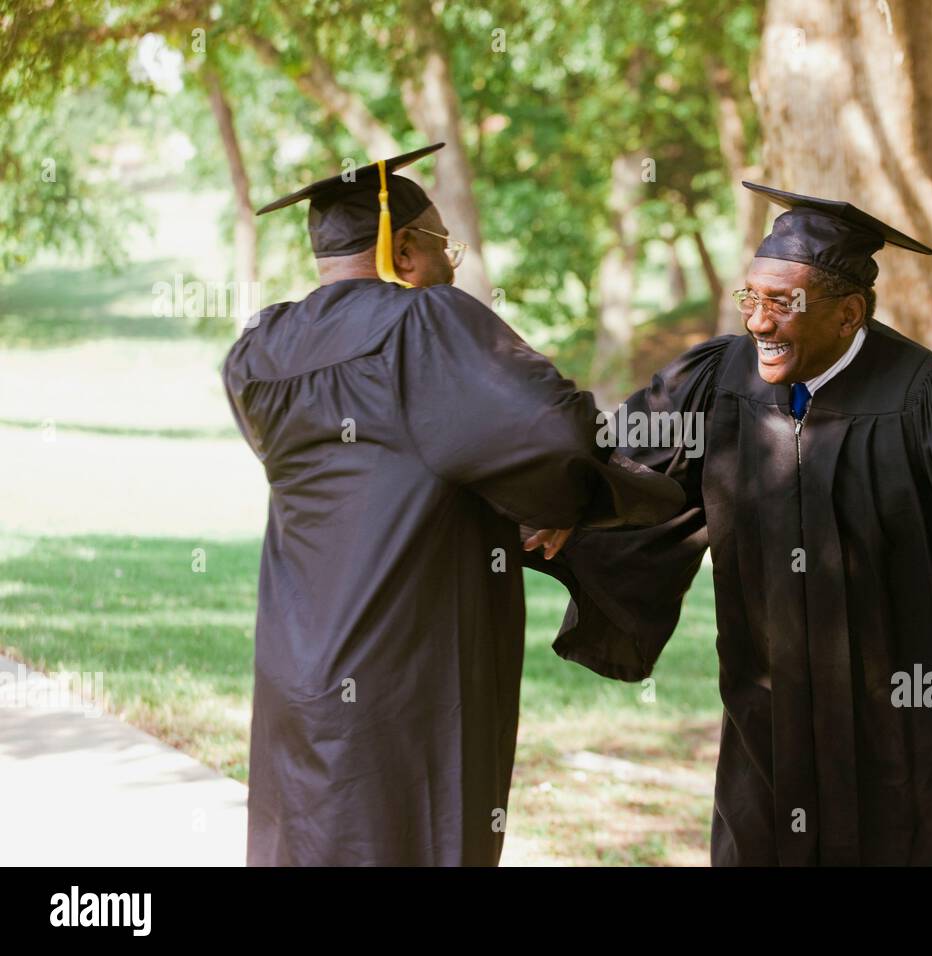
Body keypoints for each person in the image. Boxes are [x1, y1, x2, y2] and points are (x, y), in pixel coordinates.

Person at [524, 182, 932, 866]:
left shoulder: (927, 395)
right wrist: (565, 501)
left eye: (783, 303)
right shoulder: (719, 379)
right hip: (776, 707)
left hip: (925, 711)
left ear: (847, 316)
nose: (756, 321)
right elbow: (629, 459)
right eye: (750, 297)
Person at [222, 143, 683, 866]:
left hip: (298, 659)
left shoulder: (259, 349)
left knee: (307, 840)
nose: (454, 264)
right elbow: (555, 434)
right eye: (446, 246)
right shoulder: (422, 323)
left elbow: (393, 452)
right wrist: (561, 499)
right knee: (419, 838)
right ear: (403, 250)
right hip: (408, 663)